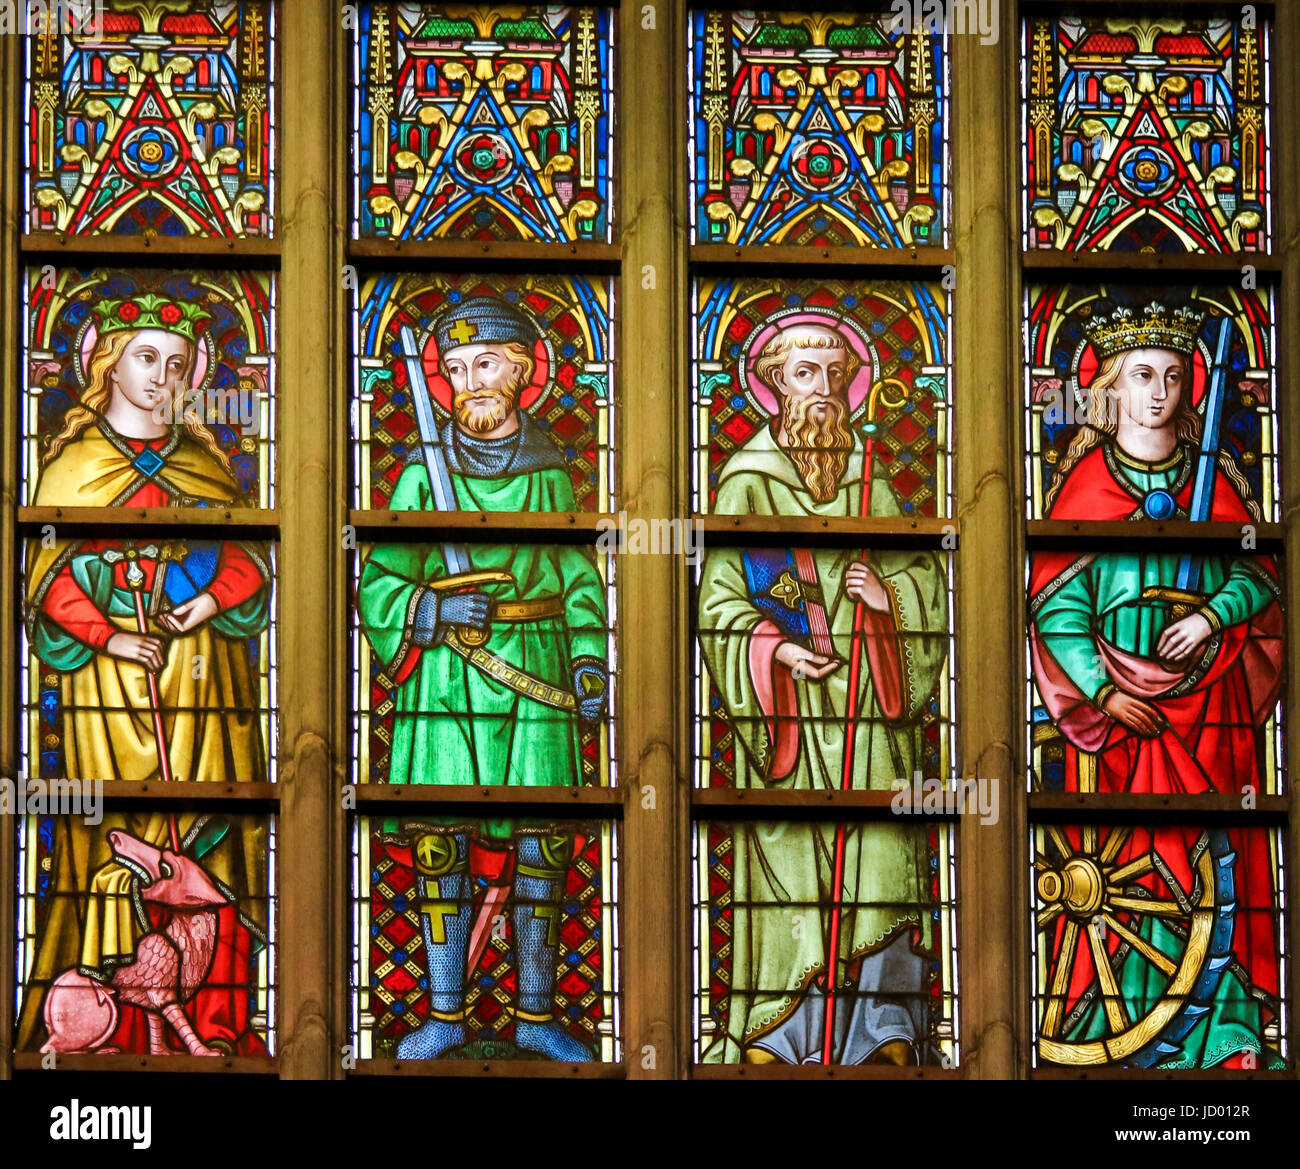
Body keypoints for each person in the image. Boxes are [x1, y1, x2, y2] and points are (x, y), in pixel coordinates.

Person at [1031, 302, 1283, 1067]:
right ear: (1110, 385)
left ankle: (1225, 1033)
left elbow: (1257, 576)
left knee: (1224, 858)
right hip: (1123, 720)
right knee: (1131, 863)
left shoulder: (1217, 482)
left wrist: (1209, 618)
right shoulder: (1085, 487)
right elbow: (1058, 609)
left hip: (1212, 709)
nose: (1158, 393)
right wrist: (1104, 694)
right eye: (1142, 375)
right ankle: (1125, 1031)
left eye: (1174, 377)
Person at [19, 291, 271, 1054]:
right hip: (107, 695)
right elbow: (46, 581)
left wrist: (203, 607)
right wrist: (109, 636)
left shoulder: (205, 465)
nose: (162, 375)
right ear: (107, 362)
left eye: (177, 361)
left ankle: (217, 1017)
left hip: (203, 683)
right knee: (118, 842)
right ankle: (110, 1021)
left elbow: (250, 564)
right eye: (145, 356)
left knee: (209, 839)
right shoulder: (73, 468)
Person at [358, 296, 609, 1061]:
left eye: (487, 364)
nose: (472, 382)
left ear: (525, 371)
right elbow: (378, 580)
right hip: (444, 677)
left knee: (542, 845)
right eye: (458, 369)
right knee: (442, 845)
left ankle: (535, 1014)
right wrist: (429, 608)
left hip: (534, 662)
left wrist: (591, 657)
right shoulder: (415, 480)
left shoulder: (552, 475)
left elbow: (579, 578)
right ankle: (443, 1012)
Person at [697, 319, 948, 1064]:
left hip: (872, 716)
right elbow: (716, 606)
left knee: (881, 858)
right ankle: (780, 1030)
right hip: (789, 726)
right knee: (787, 876)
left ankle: (885, 1031)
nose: (824, 390)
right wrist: (774, 652)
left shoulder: (873, 474)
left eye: (836, 374)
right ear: (774, 382)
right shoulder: (745, 479)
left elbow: (929, 586)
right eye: (807, 373)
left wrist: (888, 597)